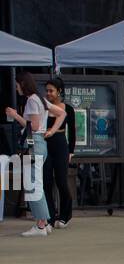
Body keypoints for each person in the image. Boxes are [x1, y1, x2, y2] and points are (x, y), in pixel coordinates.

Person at [4, 72, 65, 236]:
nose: (16, 88)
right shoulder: (40, 98)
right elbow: (62, 113)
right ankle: (43, 223)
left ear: (23, 84)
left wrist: (15, 115)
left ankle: (41, 224)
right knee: (36, 184)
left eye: (17, 85)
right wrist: (51, 131)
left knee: (33, 185)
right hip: (39, 145)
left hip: (33, 144)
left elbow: (34, 126)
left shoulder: (32, 100)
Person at [42, 77, 76, 228]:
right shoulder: (43, 106)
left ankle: (65, 215)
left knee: (62, 181)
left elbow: (73, 131)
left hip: (61, 144)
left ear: (59, 91)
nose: (48, 93)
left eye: (51, 91)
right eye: (47, 90)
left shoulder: (68, 108)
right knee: (46, 182)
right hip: (45, 145)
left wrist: (71, 151)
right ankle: (49, 216)